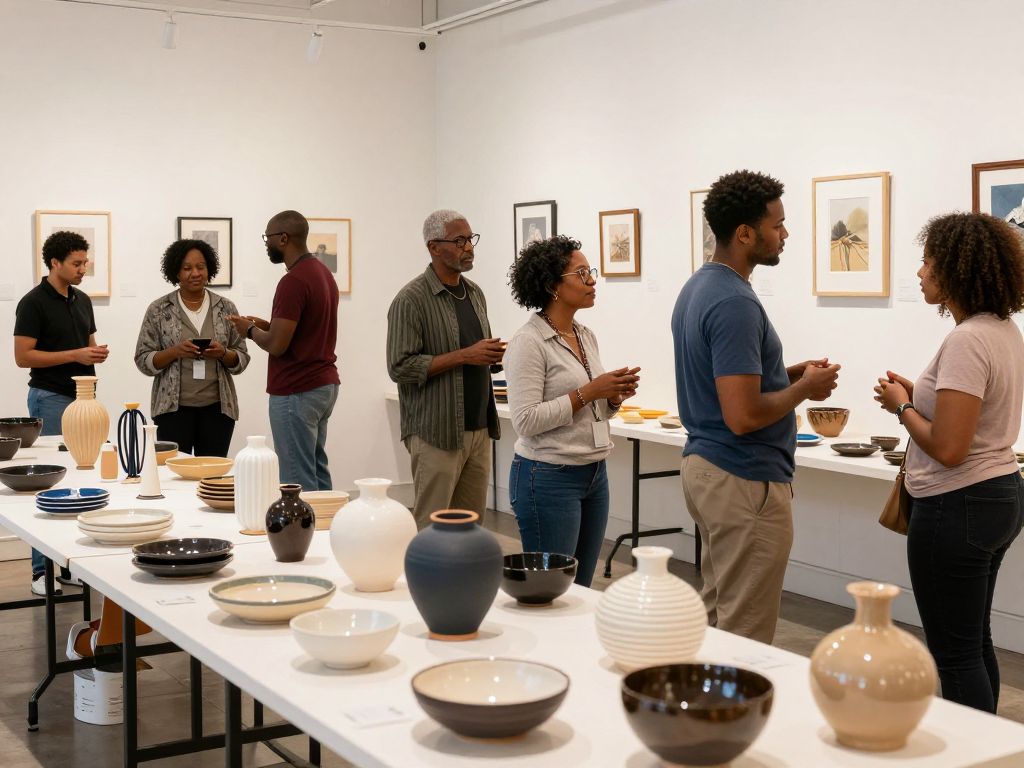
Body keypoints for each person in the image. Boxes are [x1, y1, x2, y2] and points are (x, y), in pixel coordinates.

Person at [671, 169, 840, 643]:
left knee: (715, 616)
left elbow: (728, 384)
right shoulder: (734, 302)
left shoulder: (698, 288)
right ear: (745, 233)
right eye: (777, 225)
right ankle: (730, 716)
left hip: (709, 467)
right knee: (744, 632)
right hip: (742, 477)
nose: (785, 235)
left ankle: (699, 711)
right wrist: (805, 390)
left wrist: (787, 376)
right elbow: (742, 416)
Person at [874, 212, 1024, 713]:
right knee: (974, 640)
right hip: (999, 494)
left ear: (956, 269)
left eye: (927, 262)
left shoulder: (966, 339)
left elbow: (949, 447)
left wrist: (902, 406)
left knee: (955, 655)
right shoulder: (1001, 329)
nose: (919, 272)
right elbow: (972, 415)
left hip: (956, 505)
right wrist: (920, 394)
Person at [505, 236, 639, 587]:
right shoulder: (529, 342)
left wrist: (612, 397)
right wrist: (589, 391)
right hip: (548, 476)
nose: (592, 281)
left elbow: (595, 412)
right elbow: (525, 420)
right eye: (581, 274)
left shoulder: (585, 334)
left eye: (590, 271)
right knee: (549, 587)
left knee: (580, 588)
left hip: (594, 473)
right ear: (552, 285)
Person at [387, 209, 503, 528]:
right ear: (434, 247)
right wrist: (466, 355)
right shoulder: (410, 300)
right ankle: (423, 580)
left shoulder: (475, 293)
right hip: (435, 431)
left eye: (470, 238)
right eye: (459, 240)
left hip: (479, 427)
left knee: (470, 529)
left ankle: (464, 580)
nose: (469, 247)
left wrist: (492, 357)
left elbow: (476, 353)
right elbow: (400, 367)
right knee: (432, 528)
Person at [14, 230, 109, 596]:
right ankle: (41, 571)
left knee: (81, 481)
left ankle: (69, 565)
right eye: (77, 263)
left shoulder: (83, 299)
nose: (83, 268)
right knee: (50, 483)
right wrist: (77, 356)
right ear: (55, 263)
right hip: (50, 398)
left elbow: (88, 345)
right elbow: (23, 357)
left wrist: (95, 354)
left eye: (85, 262)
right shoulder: (33, 302)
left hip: (85, 400)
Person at [228, 211, 339, 490]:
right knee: (315, 466)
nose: (266, 243)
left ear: (284, 238)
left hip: (296, 389)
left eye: (268, 237)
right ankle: (327, 528)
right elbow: (301, 331)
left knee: (296, 477)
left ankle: (305, 534)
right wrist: (266, 325)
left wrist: (249, 331)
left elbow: (277, 345)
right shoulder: (322, 273)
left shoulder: (293, 281)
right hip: (323, 384)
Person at [134, 239, 249, 456]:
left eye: (201, 267)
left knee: (212, 476)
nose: (195, 273)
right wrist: (174, 352)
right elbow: (142, 359)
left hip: (218, 410)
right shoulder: (159, 309)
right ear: (175, 273)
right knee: (174, 477)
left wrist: (223, 354)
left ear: (209, 269)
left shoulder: (226, 307)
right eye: (187, 268)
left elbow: (241, 358)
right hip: (172, 411)